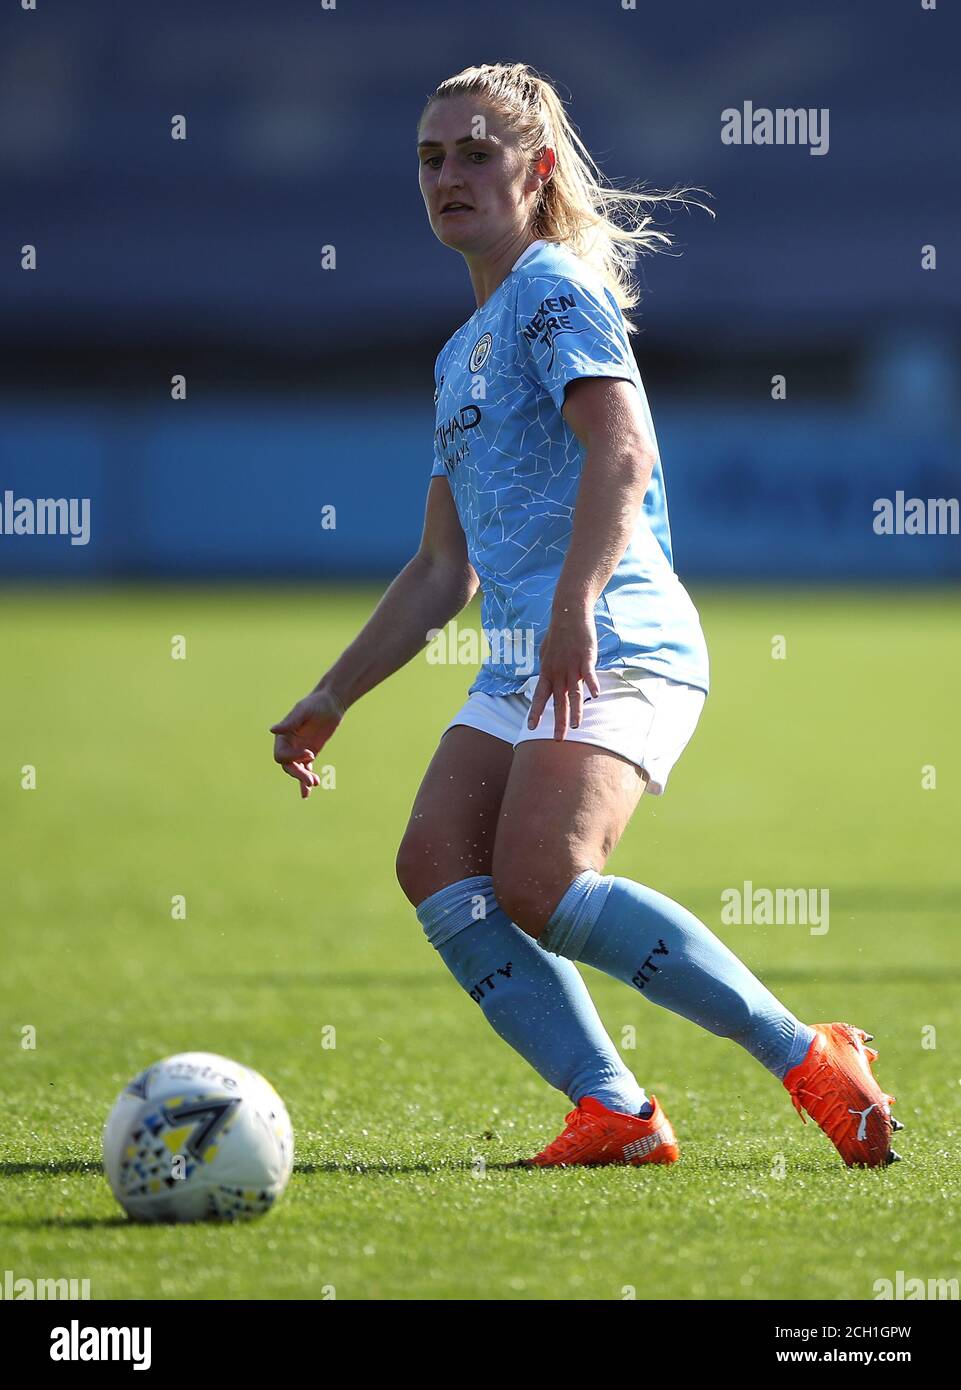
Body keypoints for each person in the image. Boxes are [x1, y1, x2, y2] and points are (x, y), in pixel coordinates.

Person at [271, 62, 901, 1169]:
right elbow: (440, 568)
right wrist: (332, 694)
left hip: (615, 634)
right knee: (437, 864)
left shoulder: (553, 289)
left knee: (542, 880)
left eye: (476, 152)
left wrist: (572, 605)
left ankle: (809, 1053)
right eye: (430, 156)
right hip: (526, 649)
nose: (449, 175)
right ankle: (613, 1108)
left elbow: (624, 450)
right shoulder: (456, 353)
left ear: (538, 169)